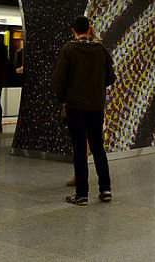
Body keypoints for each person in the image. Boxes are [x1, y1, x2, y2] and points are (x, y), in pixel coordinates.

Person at [53, 16, 115, 206]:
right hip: (96, 107)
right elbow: (111, 77)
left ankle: (82, 195)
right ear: (89, 29)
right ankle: (105, 189)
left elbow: (59, 80)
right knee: (98, 147)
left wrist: (63, 99)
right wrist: (96, 87)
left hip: (75, 107)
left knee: (80, 149)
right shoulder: (101, 50)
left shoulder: (69, 49)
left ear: (73, 30)